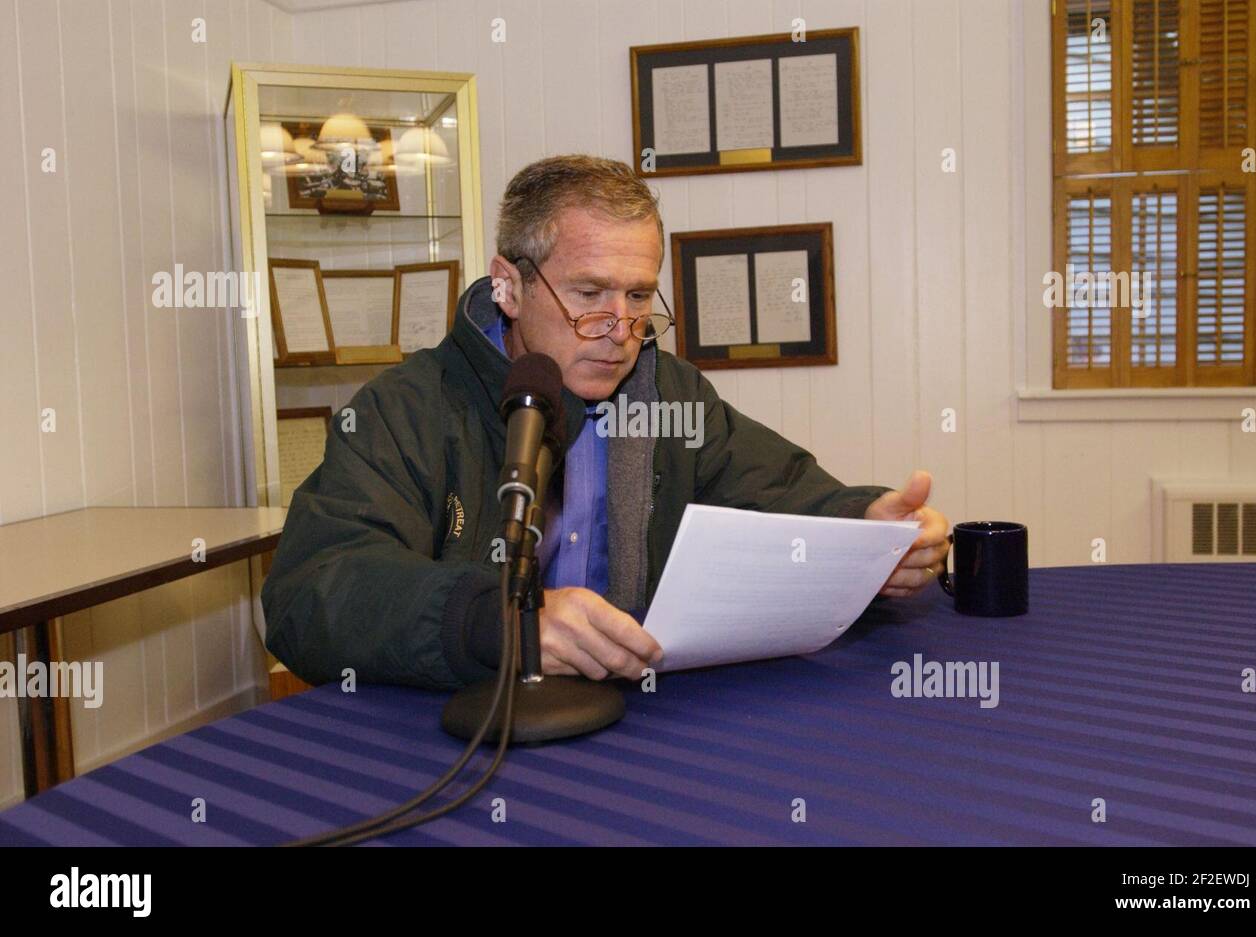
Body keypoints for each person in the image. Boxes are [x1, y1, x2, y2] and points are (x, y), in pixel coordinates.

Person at [261, 155, 950, 692]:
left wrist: (872, 530)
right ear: (508, 285)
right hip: (452, 729)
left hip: (637, 726)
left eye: (640, 295)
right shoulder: (404, 409)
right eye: (589, 294)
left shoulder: (671, 397)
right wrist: (496, 621)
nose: (620, 330)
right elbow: (310, 592)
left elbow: (790, 498)